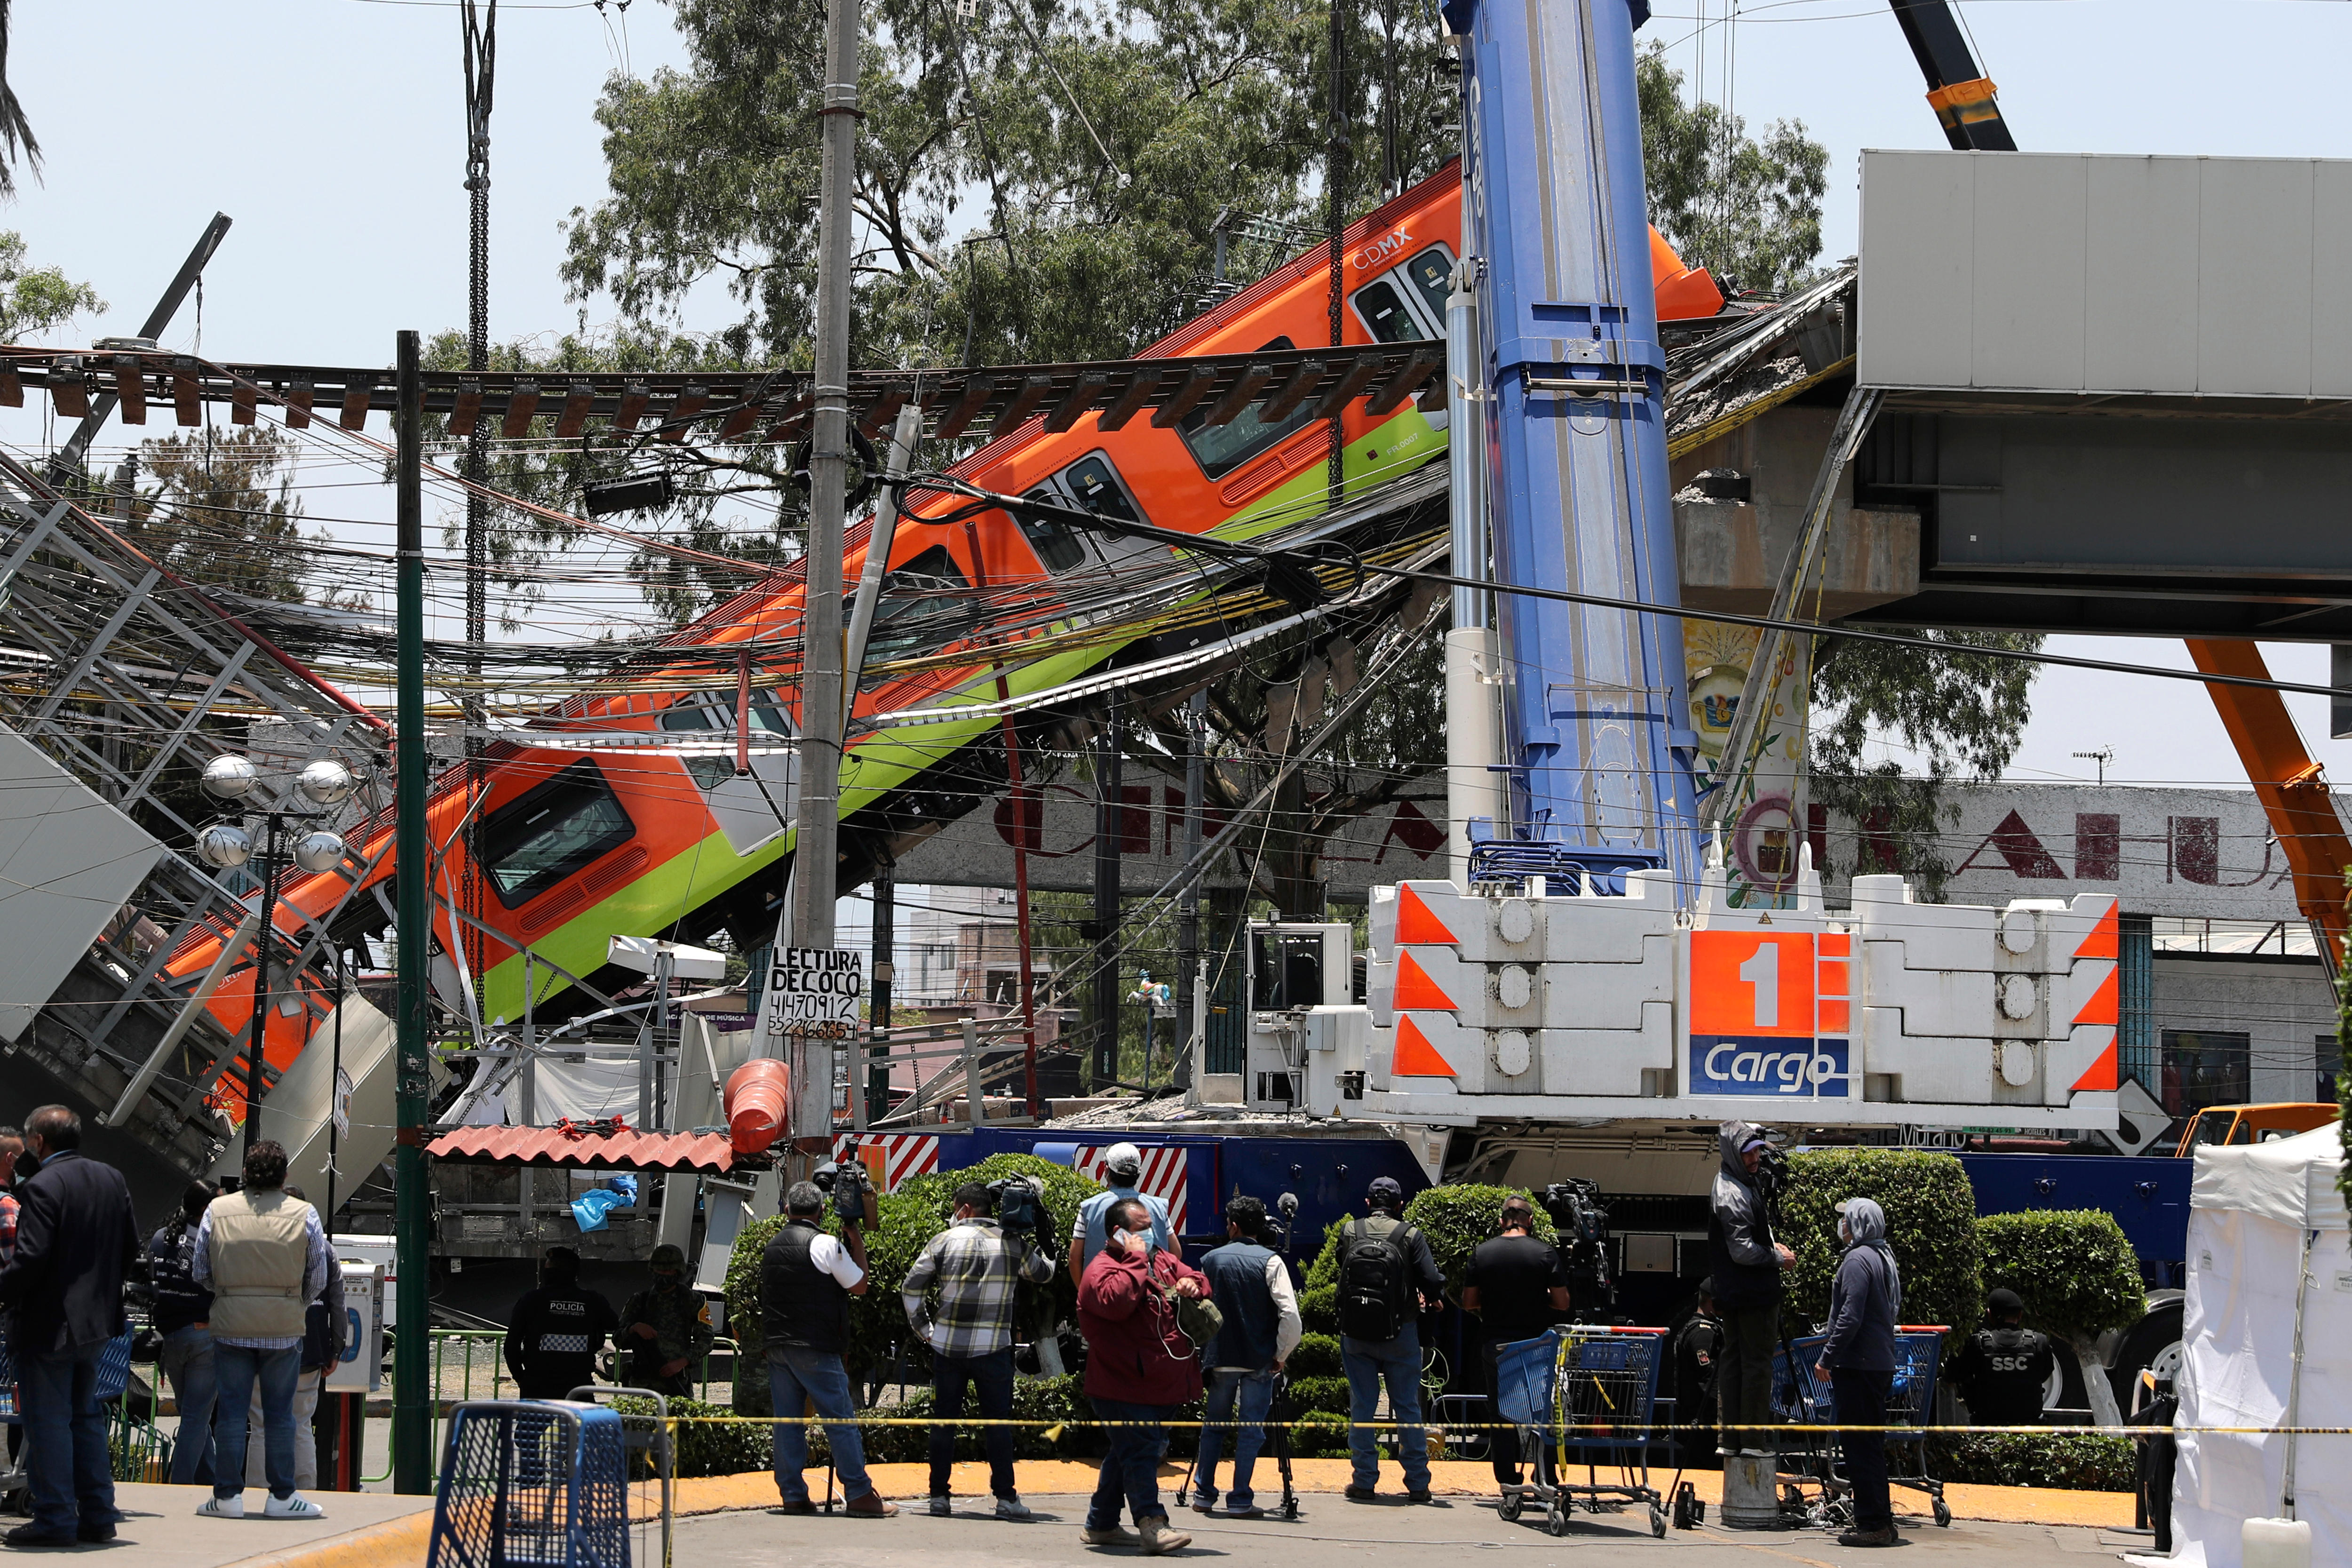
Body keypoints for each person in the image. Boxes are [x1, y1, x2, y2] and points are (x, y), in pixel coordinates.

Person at [0, 1106, 139, 1546]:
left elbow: (30, 1259)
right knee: (85, 1418)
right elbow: (130, 1249)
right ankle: (98, 1513)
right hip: (96, 1324)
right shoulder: (111, 1178)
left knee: (48, 1422)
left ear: (38, 1142)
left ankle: (56, 1518)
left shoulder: (41, 1186)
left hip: (49, 1325)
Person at [193, 1138, 329, 1521]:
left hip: (231, 1323)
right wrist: (293, 1301)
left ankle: (227, 1497)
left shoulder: (217, 1210)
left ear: (245, 1174)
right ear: (285, 1176)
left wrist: (230, 1294)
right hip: (283, 1326)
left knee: (233, 1413)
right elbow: (318, 1274)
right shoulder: (305, 1213)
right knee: (281, 1413)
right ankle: (283, 1496)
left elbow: (200, 1270)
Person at [901, 1181, 1053, 1520]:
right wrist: (1042, 1228)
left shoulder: (942, 1241)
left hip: (948, 1349)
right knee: (998, 1424)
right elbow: (1044, 1274)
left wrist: (927, 1331)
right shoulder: (1012, 1243)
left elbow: (911, 1288)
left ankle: (939, 1496)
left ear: (965, 1209)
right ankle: (1006, 1498)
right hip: (995, 1349)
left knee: (944, 1423)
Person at [1076, 1195, 1209, 1554]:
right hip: (1122, 1385)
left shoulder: (1162, 1261)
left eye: (1151, 1227)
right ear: (1117, 1233)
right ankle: (1153, 1522)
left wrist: (1194, 1284)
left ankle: (1101, 1523)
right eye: (1142, 1229)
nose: (1151, 1234)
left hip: (1162, 1383)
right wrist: (1135, 1258)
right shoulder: (1100, 1270)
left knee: (1127, 1453)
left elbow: (1197, 1277)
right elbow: (1117, 1302)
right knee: (1140, 1453)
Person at [760, 1181, 895, 1518]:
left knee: (787, 1422)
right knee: (840, 1421)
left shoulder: (772, 1245)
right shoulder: (825, 1244)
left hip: (777, 1345)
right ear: (821, 1211)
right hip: (816, 1347)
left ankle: (793, 1495)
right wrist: (857, 1242)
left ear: (787, 1210)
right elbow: (860, 1285)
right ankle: (860, 1493)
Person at [1186, 1195, 1301, 1519]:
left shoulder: (1210, 1260)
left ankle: (1203, 1494)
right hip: (1259, 1360)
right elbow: (1290, 1314)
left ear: (1233, 1225)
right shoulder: (1271, 1261)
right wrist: (1281, 1354)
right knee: (1251, 1430)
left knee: (1214, 1426)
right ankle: (1240, 1499)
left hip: (1219, 1356)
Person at [1335, 1176, 1445, 1504]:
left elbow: (1343, 1268)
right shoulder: (1410, 1234)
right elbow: (1430, 1278)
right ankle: (1417, 1483)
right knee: (1408, 1406)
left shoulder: (1351, 1231)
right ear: (1400, 1205)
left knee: (1363, 1406)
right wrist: (1434, 1296)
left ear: (1368, 1203)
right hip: (1401, 1331)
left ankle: (1365, 1481)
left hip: (1356, 1333)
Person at [1461, 1193, 1569, 1492]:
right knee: (1540, 1409)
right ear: (1530, 1221)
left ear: (1502, 1221)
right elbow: (1562, 1303)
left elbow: (1469, 1302)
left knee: (1501, 1412)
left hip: (1497, 1346)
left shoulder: (1482, 1254)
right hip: (1535, 1346)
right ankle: (1544, 1476)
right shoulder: (1544, 1254)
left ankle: (1508, 1480)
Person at [239, 1187, 343, 1495]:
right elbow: (337, 1303)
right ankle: (304, 1489)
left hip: (266, 1343)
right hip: (310, 1349)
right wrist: (336, 1348)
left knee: (261, 1424)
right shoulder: (325, 1249)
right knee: (301, 1424)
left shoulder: (263, 1243)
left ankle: (258, 1489)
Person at [1813, 1197, 1902, 1548]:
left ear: (1859, 1224)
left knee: (1859, 1446)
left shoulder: (1856, 1259)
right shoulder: (1883, 1256)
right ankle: (1882, 1519)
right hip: (1879, 1364)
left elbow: (1850, 1315)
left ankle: (1872, 1524)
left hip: (1859, 1364)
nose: (1843, 1226)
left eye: (1846, 1220)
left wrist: (1827, 1358)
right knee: (1871, 1445)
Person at [1708, 1120, 1794, 1459]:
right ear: (1734, 1154)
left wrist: (1772, 1246)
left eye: (1757, 1150)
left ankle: (1732, 1439)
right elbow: (1742, 1250)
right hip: (1753, 1295)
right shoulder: (1734, 1191)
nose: (1756, 1157)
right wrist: (1778, 1258)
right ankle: (1752, 1441)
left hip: (1735, 1292)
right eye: (1750, 1153)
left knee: (1735, 1360)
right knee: (1756, 1362)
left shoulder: (1733, 1182)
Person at [150, 1180, 220, 1487]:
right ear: (206, 1209)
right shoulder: (210, 1241)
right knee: (195, 1417)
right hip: (202, 1336)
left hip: (168, 1339)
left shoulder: (159, 1238)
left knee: (193, 1413)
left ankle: (210, 1478)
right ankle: (178, 1485)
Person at [504, 1247, 619, 1400]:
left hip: (538, 1385)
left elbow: (512, 1345)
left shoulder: (531, 1300)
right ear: (575, 1274)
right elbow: (613, 1323)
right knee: (580, 1424)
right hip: (578, 1385)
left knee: (533, 1425)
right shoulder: (592, 1301)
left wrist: (521, 1377)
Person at [1069, 1144, 1175, 1288]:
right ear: (1138, 1173)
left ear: (1107, 1170)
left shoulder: (1088, 1208)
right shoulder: (1159, 1207)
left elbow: (1074, 1259)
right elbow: (1176, 1253)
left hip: (1103, 1295)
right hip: (1152, 1297)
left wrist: (1085, 1293)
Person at [1947, 1289, 2055, 1429]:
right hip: (2029, 1428)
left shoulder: (1977, 1343)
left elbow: (1954, 1374)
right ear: (2020, 1315)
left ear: (1990, 1315)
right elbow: (2045, 1373)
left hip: (1988, 1427)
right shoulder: (2039, 1342)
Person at [618, 1243, 714, 1399]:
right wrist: (634, 1329)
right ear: (653, 1270)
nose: (663, 1274)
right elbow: (618, 1339)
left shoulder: (693, 1301)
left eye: (668, 1270)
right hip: (643, 1386)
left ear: (677, 1272)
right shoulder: (640, 1301)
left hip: (677, 1383)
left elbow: (706, 1340)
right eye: (659, 1270)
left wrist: (682, 1362)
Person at [1669, 1280, 1725, 1464]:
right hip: (1704, 1423)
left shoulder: (1699, 1328)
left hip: (1700, 1421)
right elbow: (1709, 1381)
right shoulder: (1703, 1333)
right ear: (1714, 1302)